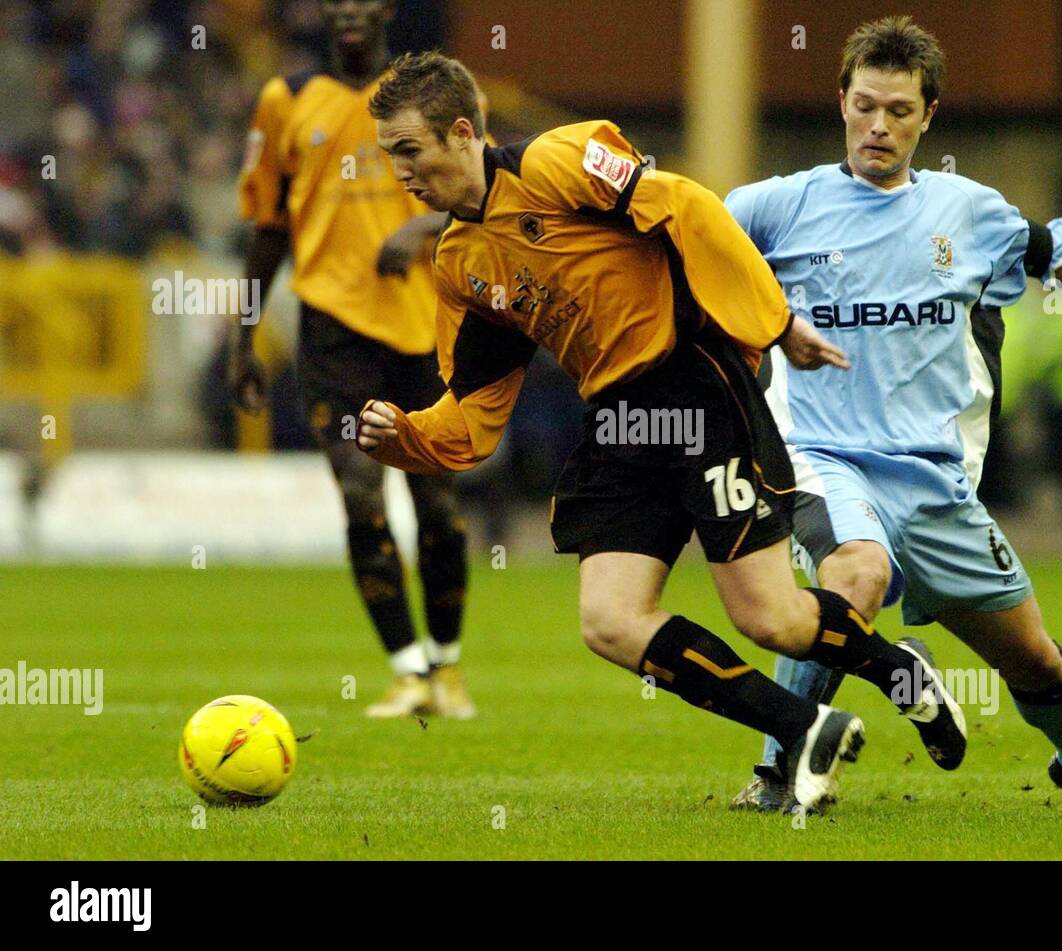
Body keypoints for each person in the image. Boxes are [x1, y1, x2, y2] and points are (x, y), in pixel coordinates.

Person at [355, 50, 969, 813]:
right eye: (390, 157)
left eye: (409, 151)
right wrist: (407, 438)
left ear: (459, 132)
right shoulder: (459, 263)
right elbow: (477, 404)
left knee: (770, 618)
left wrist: (772, 323)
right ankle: (806, 724)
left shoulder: (557, 161)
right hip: (616, 420)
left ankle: (898, 672)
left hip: (695, 388)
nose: (401, 173)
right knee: (609, 621)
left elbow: (686, 205)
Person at [726, 15, 1062, 809]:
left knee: (1035, 661)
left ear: (930, 116)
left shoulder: (968, 211)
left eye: (900, 112)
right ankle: (780, 770)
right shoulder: (777, 207)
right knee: (856, 577)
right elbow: (685, 239)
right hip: (824, 455)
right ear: (841, 97)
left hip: (935, 481)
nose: (879, 126)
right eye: (866, 105)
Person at [230, 0, 475, 719]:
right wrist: (244, 339)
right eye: (337, 5)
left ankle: (449, 667)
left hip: (426, 327)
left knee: (435, 499)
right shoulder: (288, 101)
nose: (349, 17)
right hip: (332, 330)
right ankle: (408, 670)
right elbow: (267, 229)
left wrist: (424, 227)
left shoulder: (438, 95)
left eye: (363, 6)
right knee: (360, 490)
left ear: (385, 12)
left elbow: (487, 194)